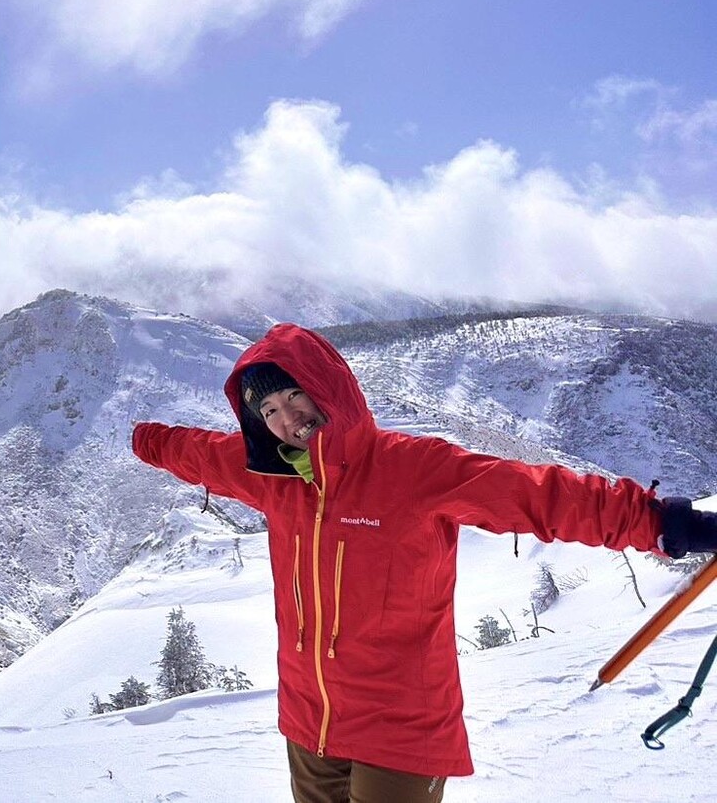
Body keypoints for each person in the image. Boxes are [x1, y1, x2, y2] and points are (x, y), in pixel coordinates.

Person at [131, 322, 717, 803]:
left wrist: (669, 524)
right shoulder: (271, 477)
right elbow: (194, 452)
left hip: (401, 724)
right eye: (270, 412)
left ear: (325, 388)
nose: (288, 419)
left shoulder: (412, 470)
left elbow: (541, 496)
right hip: (309, 722)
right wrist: (142, 439)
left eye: (294, 396)